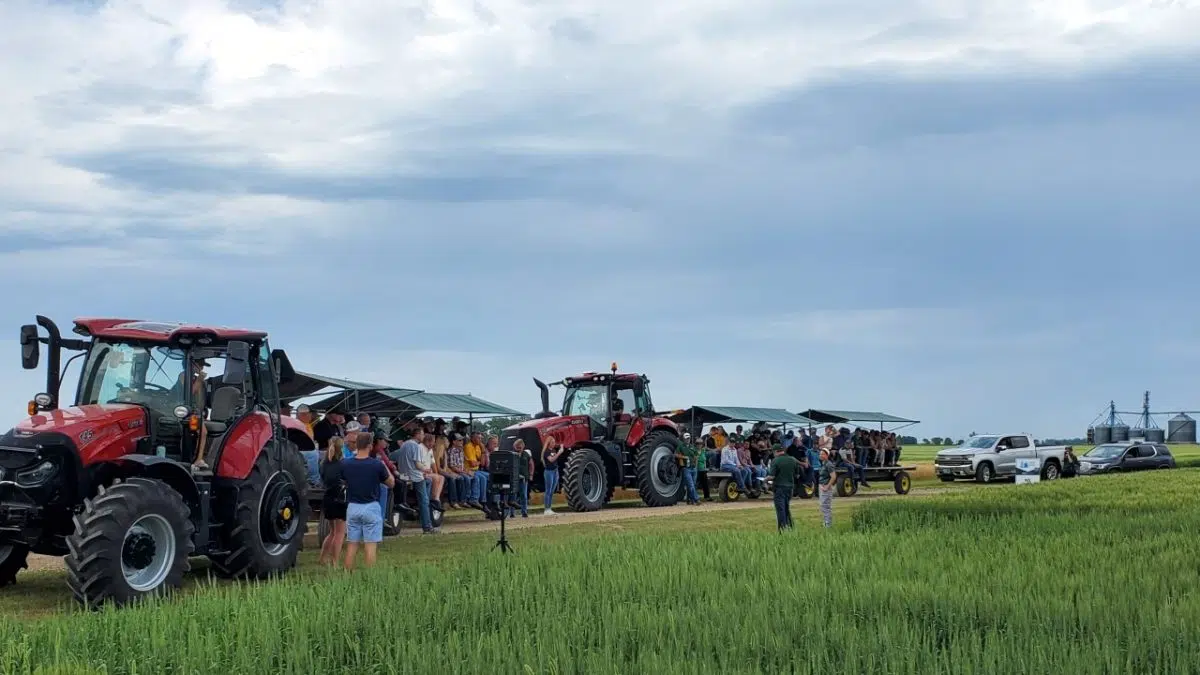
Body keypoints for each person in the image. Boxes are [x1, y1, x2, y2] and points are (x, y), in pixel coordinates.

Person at [342, 432, 395, 569]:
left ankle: (347, 575)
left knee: (352, 544)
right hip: (371, 506)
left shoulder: (346, 464)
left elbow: (343, 481)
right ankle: (370, 575)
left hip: (353, 506)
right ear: (370, 446)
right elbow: (391, 483)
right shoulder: (376, 465)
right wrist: (386, 468)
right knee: (370, 545)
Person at [392, 428, 435, 534]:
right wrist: (426, 469)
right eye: (422, 434)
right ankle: (427, 526)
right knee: (424, 501)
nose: (423, 436)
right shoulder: (416, 446)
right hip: (415, 476)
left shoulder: (404, 444)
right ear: (417, 434)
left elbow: (393, 457)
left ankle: (421, 508)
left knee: (428, 482)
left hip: (403, 475)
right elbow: (418, 464)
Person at [318, 437, 348, 566]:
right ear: (342, 449)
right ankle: (335, 561)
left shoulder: (323, 464)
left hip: (328, 497)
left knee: (332, 532)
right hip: (340, 498)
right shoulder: (344, 464)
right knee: (340, 533)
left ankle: (323, 558)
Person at [768, 444, 801, 531]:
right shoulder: (792, 459)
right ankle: (790, 526)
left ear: (775, 451)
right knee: (786, 507)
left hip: (779, 487)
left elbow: (771, 476)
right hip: (790, 487)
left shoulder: (775, 461)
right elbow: (797, 475)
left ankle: (782, 529)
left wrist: (764, 480)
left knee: (780, 509)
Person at [187, 358, 210, 469]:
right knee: (203, 432)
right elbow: (190, 393)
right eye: (200, 365)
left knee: (202, 430)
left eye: (202, 365)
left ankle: (197, 457)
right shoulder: (184, 376)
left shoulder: (196, 379)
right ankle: (198, 459)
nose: (202, 368)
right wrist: (200, 380)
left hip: (197, 413)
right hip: (187, 413)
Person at [541, 435, 564, 515]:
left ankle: (549, 508)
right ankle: (546, 509)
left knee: (552, 491)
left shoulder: (553, 450)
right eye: (552, 442)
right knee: (548, 490)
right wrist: (559, 452)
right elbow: (551, 460)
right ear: (549, 443)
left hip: (555, 471)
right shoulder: (546, 451)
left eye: (554, 442)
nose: (554, 443)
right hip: (548, 472)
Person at [678, 433, 701, 505]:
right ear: (684, 439)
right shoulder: (681, 446)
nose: (688, 439)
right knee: (691, 484)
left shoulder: (692, 447)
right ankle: (696, 499)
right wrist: (684, 457)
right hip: (686, 468)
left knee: (692, 485)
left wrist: (696, 466)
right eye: (687, 438)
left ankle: (690, 500)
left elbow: (696, 455)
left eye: (689, 438)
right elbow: (676, 454)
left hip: (693, 468)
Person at [817, 449, 837, 529]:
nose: (821, 455)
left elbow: (833, 476)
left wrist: (827, 486)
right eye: (820, 454)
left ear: (827, 455)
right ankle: (825, 522)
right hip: (822, 485)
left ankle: (828, 525)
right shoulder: (823, 464)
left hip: (826, 487)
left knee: (825, 506)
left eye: (823, 454)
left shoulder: (829, 464)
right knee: (823, 506)